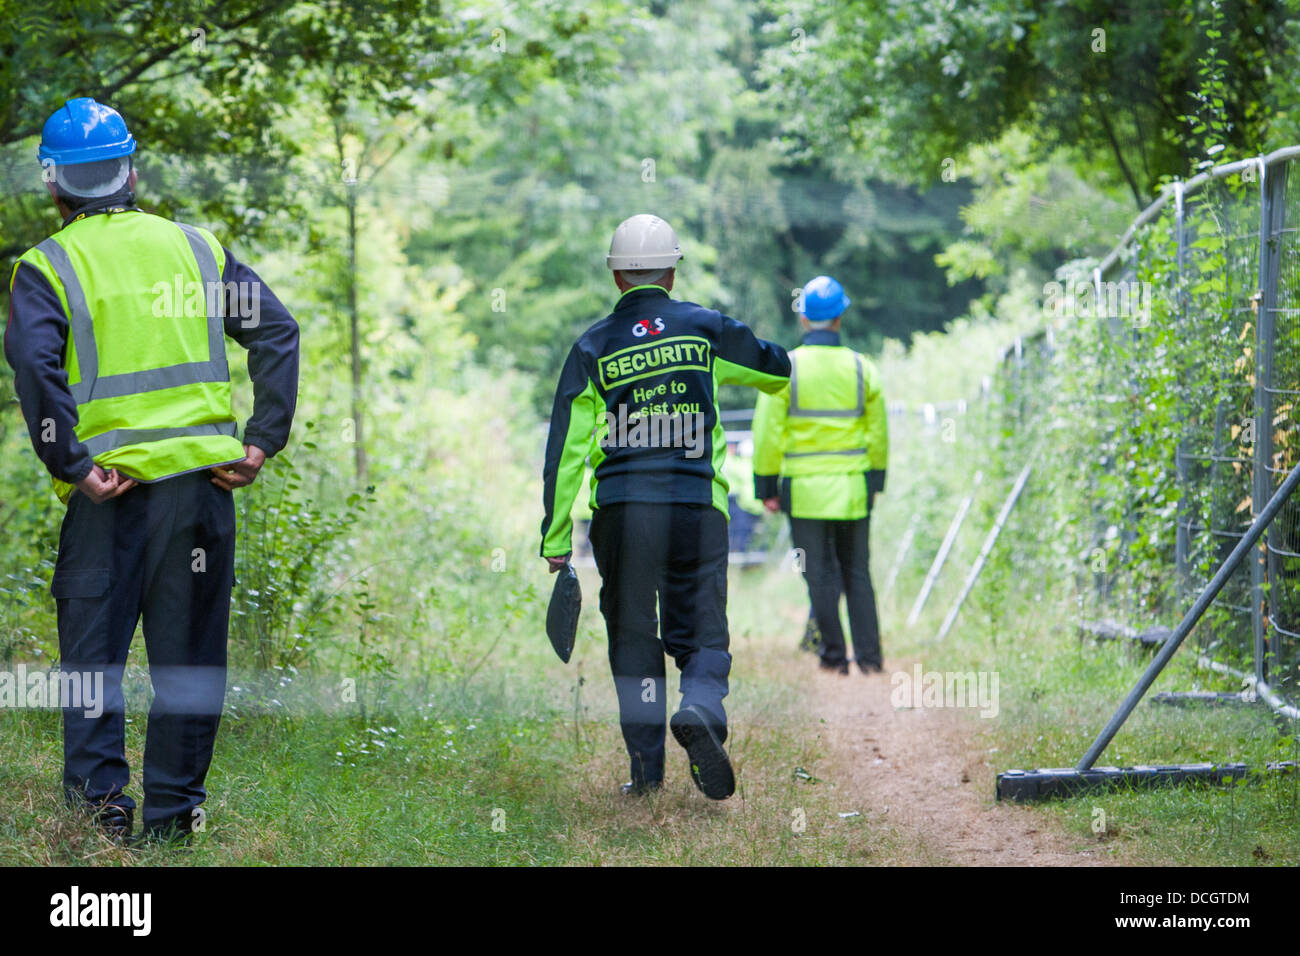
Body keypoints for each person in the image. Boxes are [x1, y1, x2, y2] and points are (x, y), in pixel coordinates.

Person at [4, 98, 300, 843]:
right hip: (203, 495)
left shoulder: (47, 267)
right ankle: (172, 822)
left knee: (92, 661)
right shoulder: (197, 249)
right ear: (131, 171)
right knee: (191, 662)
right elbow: (277, 330)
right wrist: (261, 439)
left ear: (54, 185)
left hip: (112, 495)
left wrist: (72, 462)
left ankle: (103, 822)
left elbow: (35, 368)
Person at [540, 213, 790, 799]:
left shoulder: (592, 347)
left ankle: (646, 774)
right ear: (672, 272)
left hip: (622, 513)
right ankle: (700, 708)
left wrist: (555, 542)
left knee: (632, 637)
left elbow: (565, 453)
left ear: (617, 278)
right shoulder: (704, 330)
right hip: (695, 508)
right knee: (701, 630)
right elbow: (776, 372)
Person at [752, 275, 888, 675]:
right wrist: (875, 481)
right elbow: (878, 433)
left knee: (819, 573)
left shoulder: (785, 369)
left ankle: (833, 656)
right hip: (852, 488)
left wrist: (766, 486)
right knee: (857, 572)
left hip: (805, 491)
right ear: (841, 316)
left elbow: (767, 433)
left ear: (804, 319)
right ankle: (870, 658)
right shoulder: (864, 368)